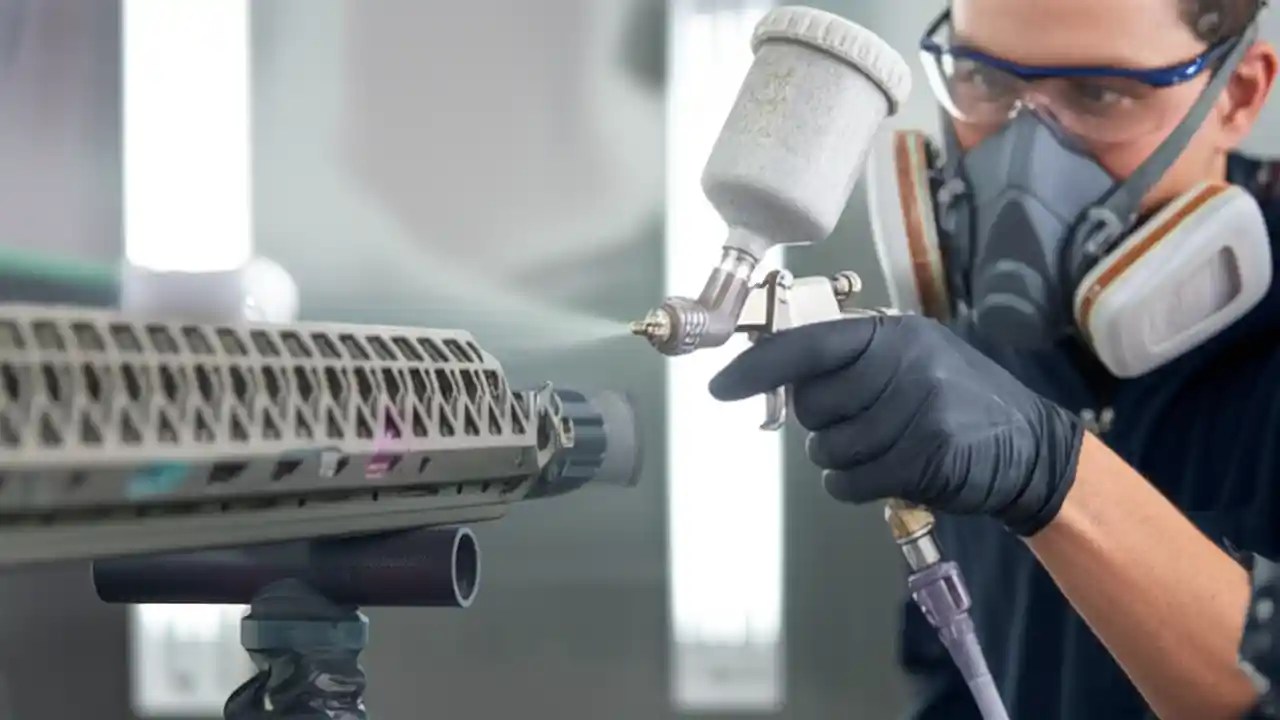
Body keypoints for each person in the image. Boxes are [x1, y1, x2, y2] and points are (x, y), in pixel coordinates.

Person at [708, 0, 1280, 718]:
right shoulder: (969, 337)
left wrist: (1056, 475)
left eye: (1098, 94)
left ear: (1238, 94)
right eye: (983, 80)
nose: (1023, 154)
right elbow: (957, 676)